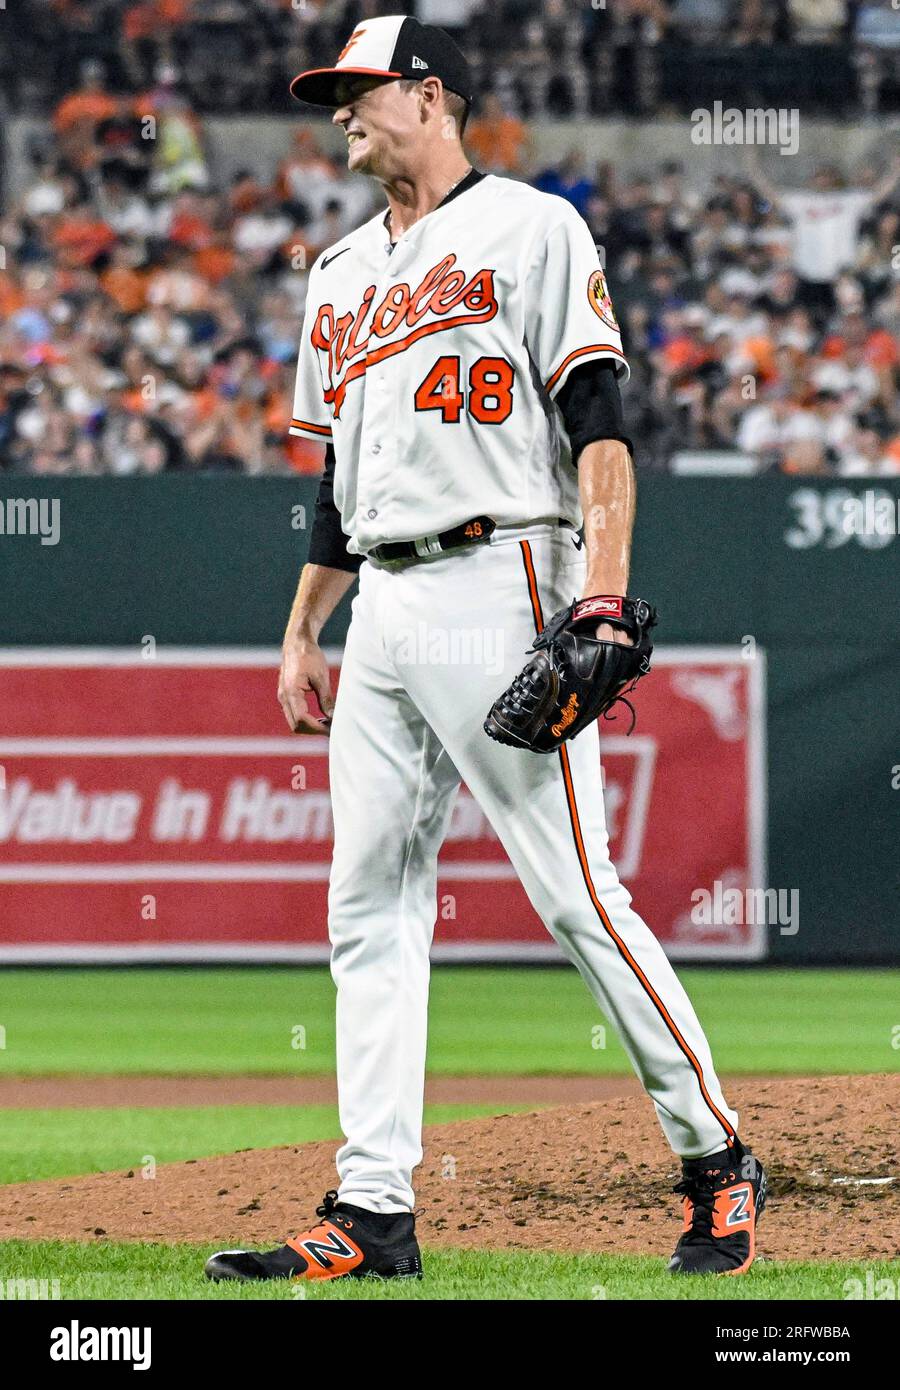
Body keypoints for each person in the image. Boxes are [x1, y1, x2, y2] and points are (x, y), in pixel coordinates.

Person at [205, 15, 767, 1287]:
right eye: (330, 95)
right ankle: (373, 1207)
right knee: (369, 906)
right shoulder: (337, 273)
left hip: (506, 568)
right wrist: (304, 628)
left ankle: (718, 1159)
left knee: (574, 893)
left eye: (359, 91)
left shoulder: (533, 225)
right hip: (388, 606)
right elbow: (343, 480)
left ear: (431, 94)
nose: (340, 113)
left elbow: (599, 420)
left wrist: (605, 596)